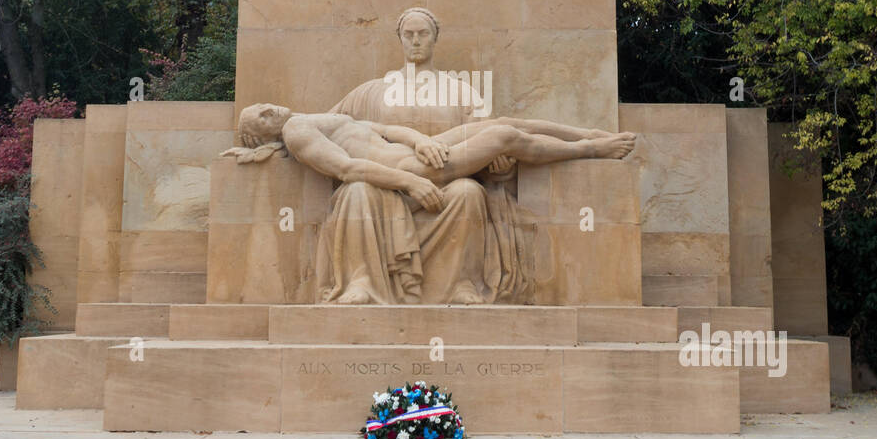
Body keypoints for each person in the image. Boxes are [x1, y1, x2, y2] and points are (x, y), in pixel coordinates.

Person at [226, 103, 636, 303]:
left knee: (500, 123)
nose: (269, 108)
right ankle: (589, 150)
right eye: (259, 118)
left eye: (263, 107)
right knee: (504, 137)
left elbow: (387, 128)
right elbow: (349, 169)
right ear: (263, 137)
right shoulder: (298, 133)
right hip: (415, 172)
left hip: (423, 154)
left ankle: (590, 133)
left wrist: (421, 140)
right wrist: (411, 181)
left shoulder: (319, 118)